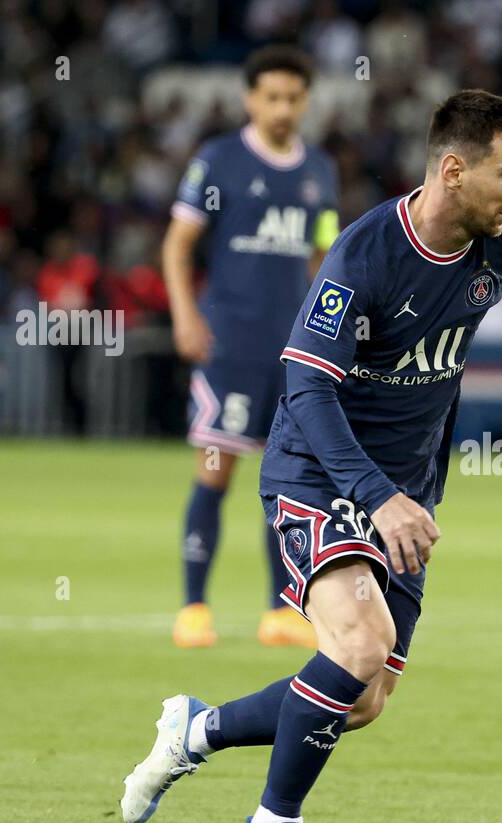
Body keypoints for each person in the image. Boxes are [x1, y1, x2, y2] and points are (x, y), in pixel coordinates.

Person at [123, 89, 502, 823]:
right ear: (454, 171)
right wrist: (375, 494)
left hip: (408, 489)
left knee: (359, 698)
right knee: (358, 645)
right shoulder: (364, 256)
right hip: (319, 472)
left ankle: (197, 730)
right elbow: (309, 387)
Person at [163, 45, 338, 649]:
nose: (283, 108)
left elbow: (323, 255)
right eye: (272, 97)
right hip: (229, 342)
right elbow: (177, 245)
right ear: (249, 99)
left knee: (289, 482)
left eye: (293, 97)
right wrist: (186, 315)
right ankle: (193, 606)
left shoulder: (320, 169)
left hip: (293, 351)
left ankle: (280, 610)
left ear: (306, 101)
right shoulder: (219, 161)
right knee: (215, 470)